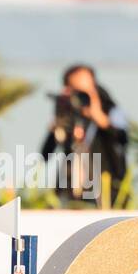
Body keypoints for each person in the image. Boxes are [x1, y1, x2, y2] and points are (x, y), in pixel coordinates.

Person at [40, 64, 128, 204]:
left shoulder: (110, 110)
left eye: (85, 91)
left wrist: (100, 119)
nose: (81, 97)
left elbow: (123, 139)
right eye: (75, 90)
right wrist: (58, 125)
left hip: (105, 193)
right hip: (70, 191)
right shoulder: (66, 115)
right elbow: (45, 154)